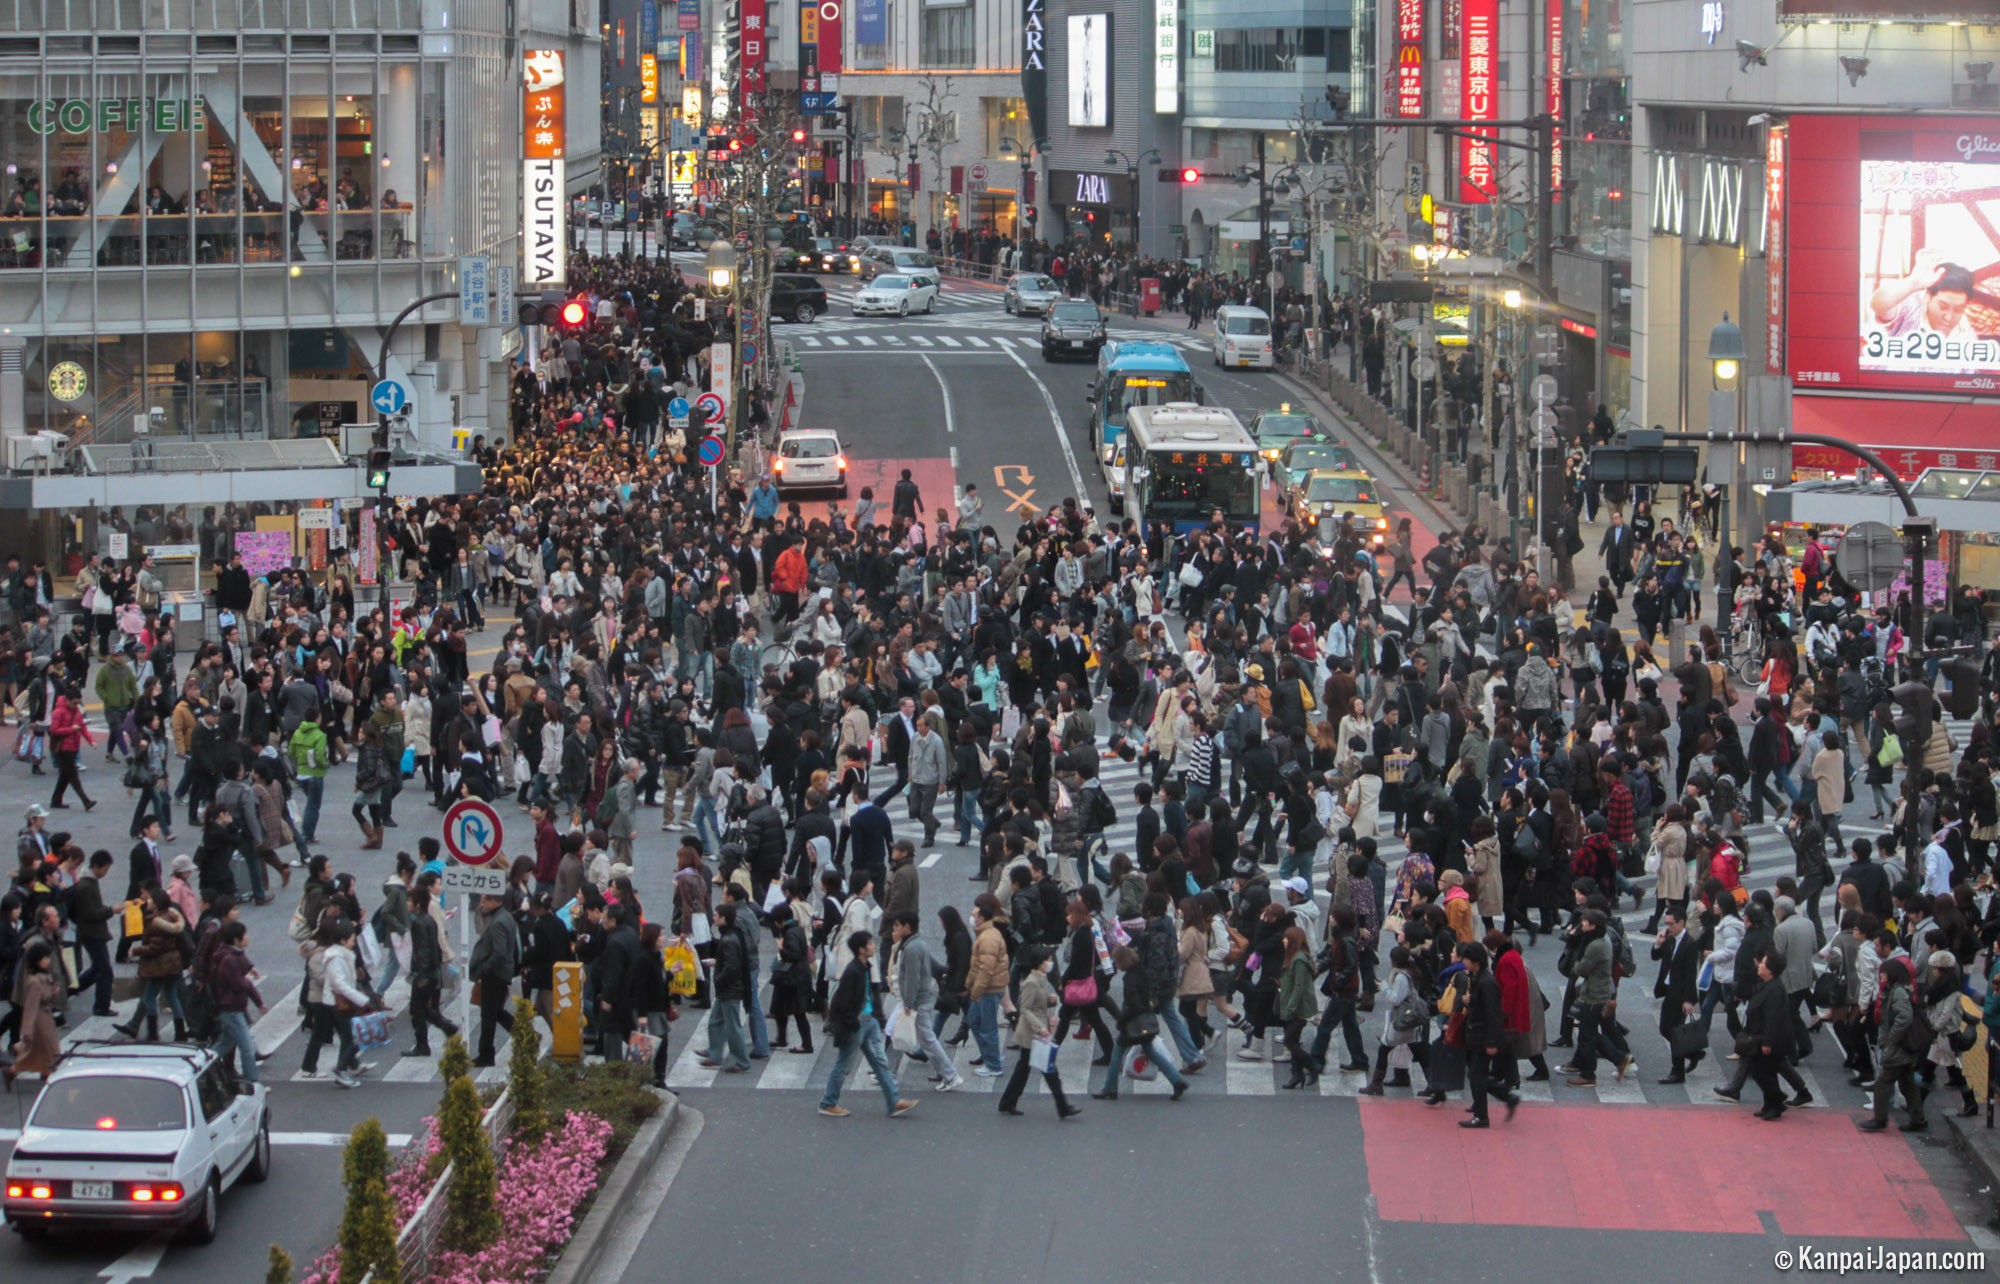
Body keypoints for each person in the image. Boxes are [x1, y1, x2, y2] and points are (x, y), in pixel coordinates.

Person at [817, 930, 918, 1118]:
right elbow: (841, 1001)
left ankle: (893, 1102)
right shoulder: (852, 971)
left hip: (868, 1021)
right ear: (861, 949)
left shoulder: (865, 967)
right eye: (870, 944)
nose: (874, 946)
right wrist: (852, 1023)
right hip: (857, 1023)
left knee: (879, 1062)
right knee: (844, 1065)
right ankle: (828, 1103)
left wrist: (877, 1017)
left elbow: (871, 994)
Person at [996, 943, 1081, 1118]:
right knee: (1046, 1070)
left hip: (1035, 1033)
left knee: (1026, 1070)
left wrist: (1050, 1001)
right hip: (1032, 1033)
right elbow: (1025, 1009)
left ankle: (1008, 1102)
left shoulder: (1039, 979)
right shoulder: (1031, 982)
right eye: (1048, 960)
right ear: (1039, 962)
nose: (1051, 963)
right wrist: (1041, 1028)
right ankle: (1062, 1106)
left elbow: (1036, 1004)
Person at [889, 909, 961, 1091]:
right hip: (921, 998)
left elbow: (912, 979)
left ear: (907, 926)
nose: (894, 929)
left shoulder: (912, 948)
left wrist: (908, 1004)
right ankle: (889, 1074)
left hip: (918, 1000)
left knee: (925, 1040)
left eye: (897, 925)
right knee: (899, 1035)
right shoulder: (916, 944)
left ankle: (951, 1074)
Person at [1857, 956, 1927, 1132]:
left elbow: (1904, 1018)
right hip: (1904, 1047)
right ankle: (1918, 1119)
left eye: (1883, 974)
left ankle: (1880, 1119)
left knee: (1883, 1082)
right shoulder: (1896, 991)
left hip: (1900, 1047)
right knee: (1907, 1084)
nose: (1881, 977)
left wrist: (1891, 1040)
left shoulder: (1898, 993)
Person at [1459, 940, 1519, 1127]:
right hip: (1478, 1034)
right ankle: (1495, 1102)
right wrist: (1470, 1002)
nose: (1463, 962)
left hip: (1483, 1036)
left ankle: (1483, 1113)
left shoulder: (1486, 982)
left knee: (1477, 1075)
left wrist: (1492, 1042)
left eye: (1466, 959)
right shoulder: (1478, 977)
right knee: (1478, 1074)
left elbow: (1493, 1014)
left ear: (1475, 961)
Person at [206, 920, 267, 1082]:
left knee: (223, 1045)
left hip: (233, 1007)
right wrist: (257, 998)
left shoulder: (234, 954)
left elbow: (244, 962)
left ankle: (200, 1068)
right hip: (230, 1009)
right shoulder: (229, 959)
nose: (248, 937)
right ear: (236, 940)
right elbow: (240, 983)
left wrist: (251, 969)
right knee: (247, 1048)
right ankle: (251, 1083)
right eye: (244, 935)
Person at [1741, 948, 1796, 1121]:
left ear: (1770, 969)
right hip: (1761, 1035)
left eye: (1763, 963)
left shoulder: (1774, 990)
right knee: (1767, 1071)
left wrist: (1767, 1042)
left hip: (1770, 1039)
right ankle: (1770, 1105)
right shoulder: (1766, 985)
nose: (1759, 965)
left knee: (1761, 1071)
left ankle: (1777, 1099)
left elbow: (1773, 1019)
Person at [403, 885, 459, 1056]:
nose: (407, 903)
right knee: (421, 1008)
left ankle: (423, 1044)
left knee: (416, 1008)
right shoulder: (429, 919)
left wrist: (421, 975)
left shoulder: (418, 922)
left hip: (424, 973)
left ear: (418, 904)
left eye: (410, 900)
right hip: (432, 970)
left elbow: (423, 950)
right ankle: (446, 1027)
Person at [467, 890, 520, 1067]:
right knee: (495, 1011)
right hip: (502, 972)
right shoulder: (506, 917)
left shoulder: (498, 922)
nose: (481, 905)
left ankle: (486, 1054)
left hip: (495, 975)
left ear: (492, 901)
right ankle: (526, 1035)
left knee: (488, 1015)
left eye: (483, 901)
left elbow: (499, 952)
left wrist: (484, 969)